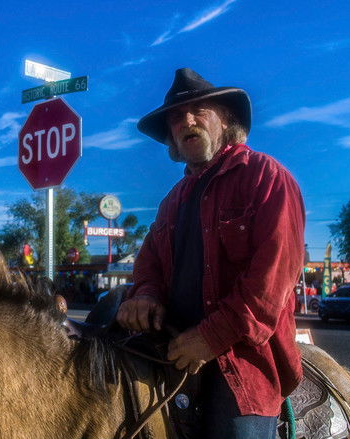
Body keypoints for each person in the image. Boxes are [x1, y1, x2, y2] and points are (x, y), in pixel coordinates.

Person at [116, 68, 305, 439]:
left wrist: (210, 337)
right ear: (171, 136)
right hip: (170, 345)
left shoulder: (267, 178)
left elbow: (273, 282)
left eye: (199, 110)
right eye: (175, 117)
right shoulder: (171, 202)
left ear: (226, 120)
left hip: (240, 358)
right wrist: (145, 296)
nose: (186, 119)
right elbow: (148, 266)